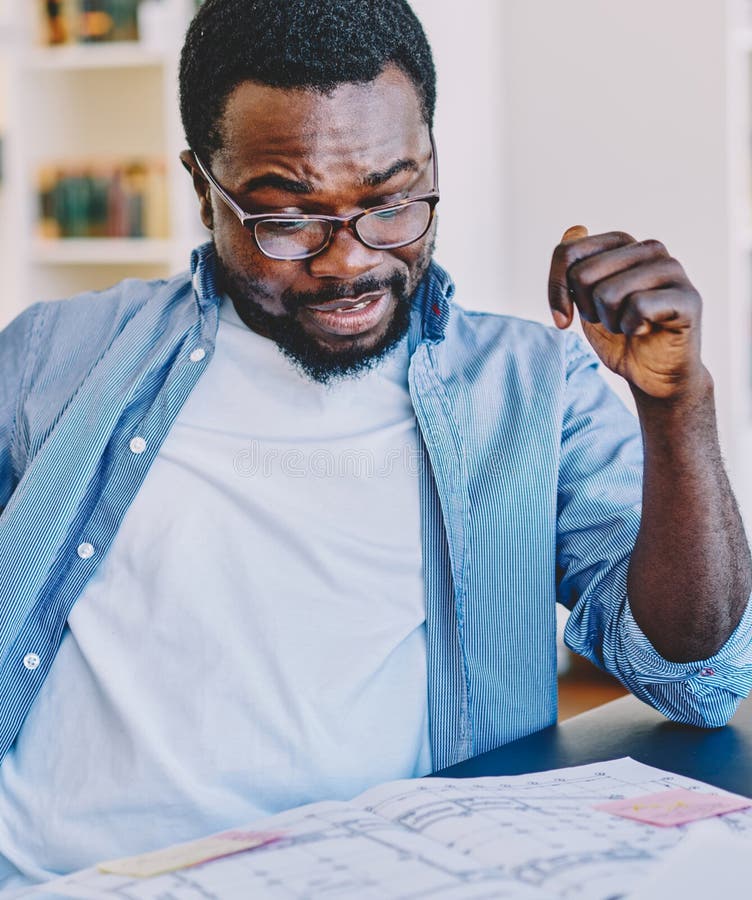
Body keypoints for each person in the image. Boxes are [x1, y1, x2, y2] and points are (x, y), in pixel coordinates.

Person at [0, 0, 750, 888]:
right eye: (287, 219)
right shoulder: (55, 356)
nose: (350, 262)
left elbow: (696, 680)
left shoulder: (531, 389)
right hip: (62, 877)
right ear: (203, 187)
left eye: (393, 202)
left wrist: (678, 412)